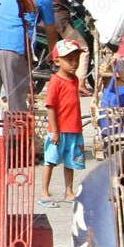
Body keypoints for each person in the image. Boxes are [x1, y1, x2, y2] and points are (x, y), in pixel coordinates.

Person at [0, 0, 57, 113]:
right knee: (16, 99)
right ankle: (16, 134)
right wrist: (52, 52)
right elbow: (51, 30)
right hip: (13, 47)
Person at [41, 39, 86, 203]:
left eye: (76, 59)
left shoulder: (74, 80)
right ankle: (44, 191)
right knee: (50, 160)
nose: (74, 63)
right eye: (69, 60)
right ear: (57, 60)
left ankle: (69, 191)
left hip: (74, 128)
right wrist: (54, 130)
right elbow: (50, 107)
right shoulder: (55, 81)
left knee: (71, 162)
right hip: (59, 129)